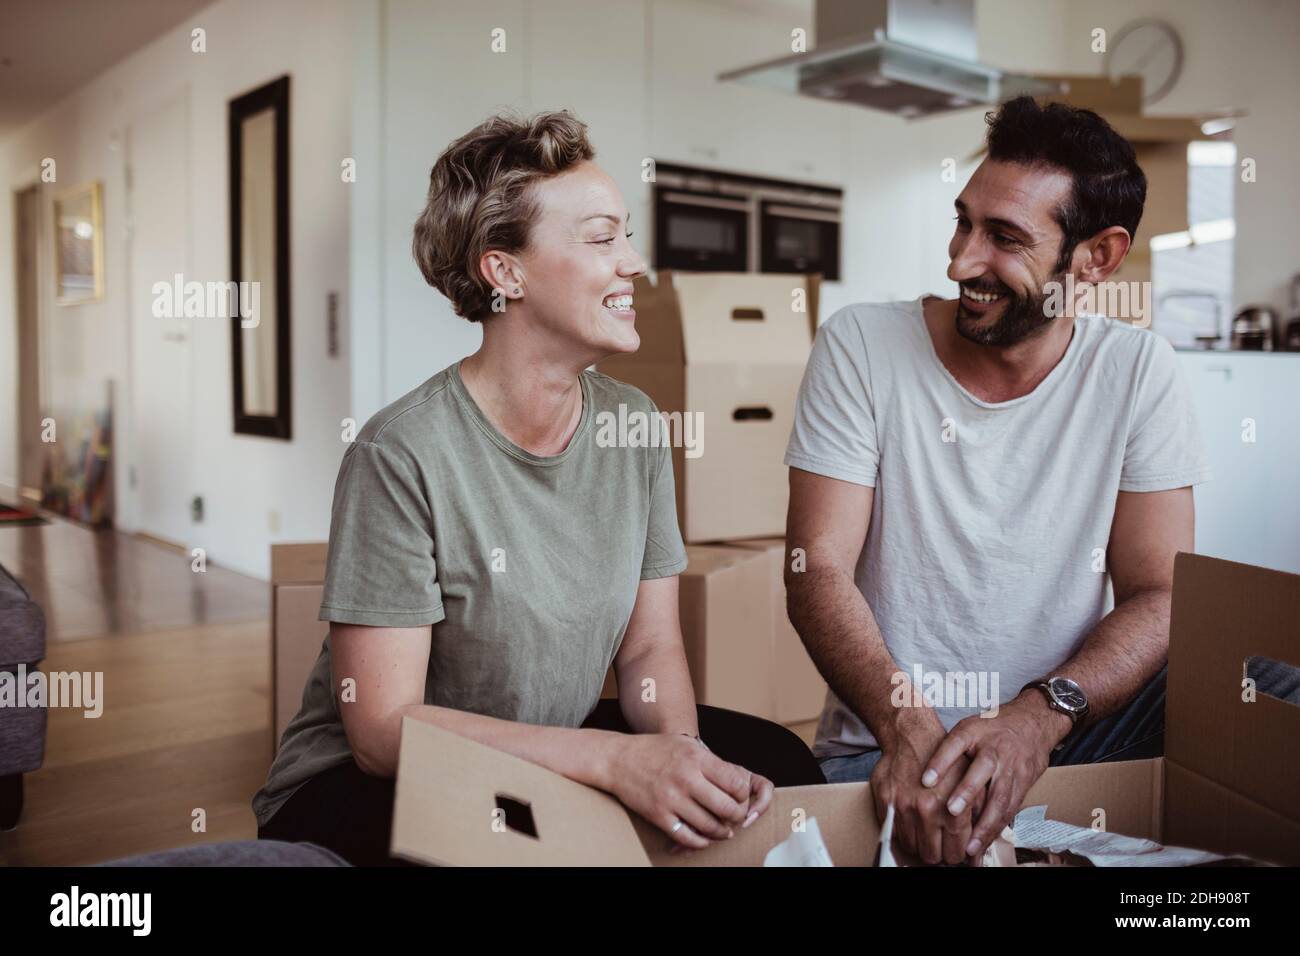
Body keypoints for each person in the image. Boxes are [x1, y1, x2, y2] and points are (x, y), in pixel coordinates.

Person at [253, 110, 820, 866]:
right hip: (361, 788)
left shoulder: (635, 424)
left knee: (776, 764)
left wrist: (678, 759)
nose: (633, 263)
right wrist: (615, 763)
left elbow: (650, 647)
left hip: (554, 741)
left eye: (627, 234)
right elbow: (384, 736)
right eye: (601, 238)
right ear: (505, 272)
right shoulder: (402, 454)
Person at [783, 96, 1210, 866]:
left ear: (1098, 258)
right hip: (885, 751)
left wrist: (1039, 717)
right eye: (963, 222)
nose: (960, 261)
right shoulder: (862, 345)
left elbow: (1160, 594)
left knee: (1269, 681)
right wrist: (913, 733)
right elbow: (816, 567)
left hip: (1067, 740)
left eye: (1004, 238)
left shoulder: (1138, 371)